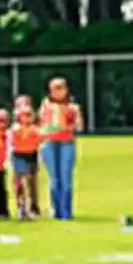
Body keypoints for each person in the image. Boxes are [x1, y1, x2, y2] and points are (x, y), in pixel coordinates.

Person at [39, 77, 83, 220]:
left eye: (60, 88)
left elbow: (80, 126)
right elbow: (41, 125)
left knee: (66, 177)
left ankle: (66, 212)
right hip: (49, 143)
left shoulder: (73, 107)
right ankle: (55, 209)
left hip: (66, 143)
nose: (57, 91)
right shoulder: (45, 106)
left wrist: (70, 123)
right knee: (54, 178)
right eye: (54, 88)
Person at [10, 102, 41, 221]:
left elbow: (38, 141)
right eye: (25, 115)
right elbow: (16, 141)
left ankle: (34, 207)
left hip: (32, 155)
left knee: (32, 182)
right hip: (19, 155)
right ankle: (21, 207)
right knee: (20, 183)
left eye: (29, 115)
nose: (27, 117)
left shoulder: (35, 128)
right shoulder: (16, 128)